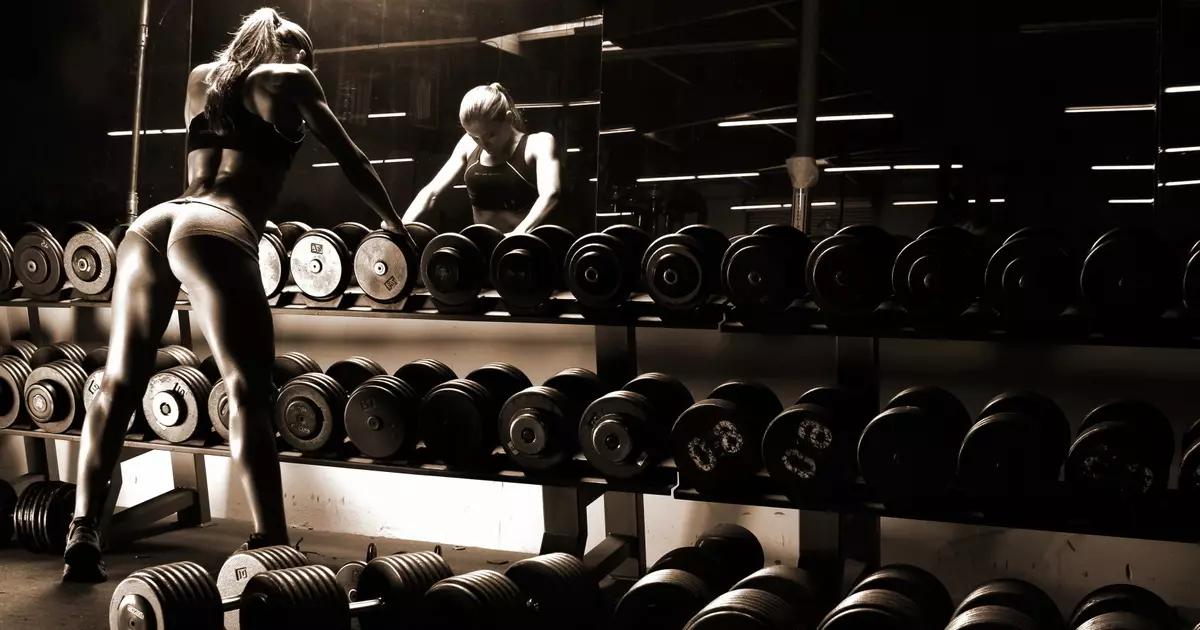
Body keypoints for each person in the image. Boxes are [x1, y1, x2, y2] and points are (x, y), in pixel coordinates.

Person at [64, 8, 413, 582]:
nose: (310, 66)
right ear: (292, 50)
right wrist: (395, 225)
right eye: (308, 54)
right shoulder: (292, 78)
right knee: (247, 390)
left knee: (120, 383)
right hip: (215, 230)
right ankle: (270, 540)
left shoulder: (204, 77)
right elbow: (350, 159)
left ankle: (83, 530)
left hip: (154, 226)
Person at [403, 83, 562, 234]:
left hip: (525, 246)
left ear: (508, 118)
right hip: (484, 248)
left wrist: (518, 234)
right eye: (475, 137)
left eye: (490, 135)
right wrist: (400, 227)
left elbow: (551, 194)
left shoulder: (539, 144)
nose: (483, 144)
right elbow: (432, 192)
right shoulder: (467, 144)